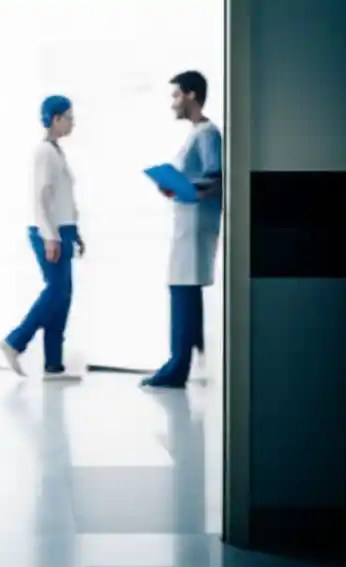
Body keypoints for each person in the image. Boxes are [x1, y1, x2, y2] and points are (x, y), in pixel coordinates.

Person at [142, 70, 222, 390]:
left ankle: (176, 369)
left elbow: (216, 177)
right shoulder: (197, 133)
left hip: (196, 225)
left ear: (191, 95)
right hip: (189, 224)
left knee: (182, 291)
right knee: (184, 291)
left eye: (176, 95)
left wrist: (187, 189)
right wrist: (173, 186)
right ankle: (181, 363)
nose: (173, 102)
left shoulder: (207, 133)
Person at [0, 95, 86, 380]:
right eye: (69, 117)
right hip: (51, 231)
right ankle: (15, 342)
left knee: (62, 296)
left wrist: (75, 232)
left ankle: (53, 364)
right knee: (57, 291)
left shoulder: (56, 151)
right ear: (55, 118)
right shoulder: (44, 152)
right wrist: (50, 236)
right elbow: (40, 198)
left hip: (64, 230)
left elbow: (63, 197)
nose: (72, 122)